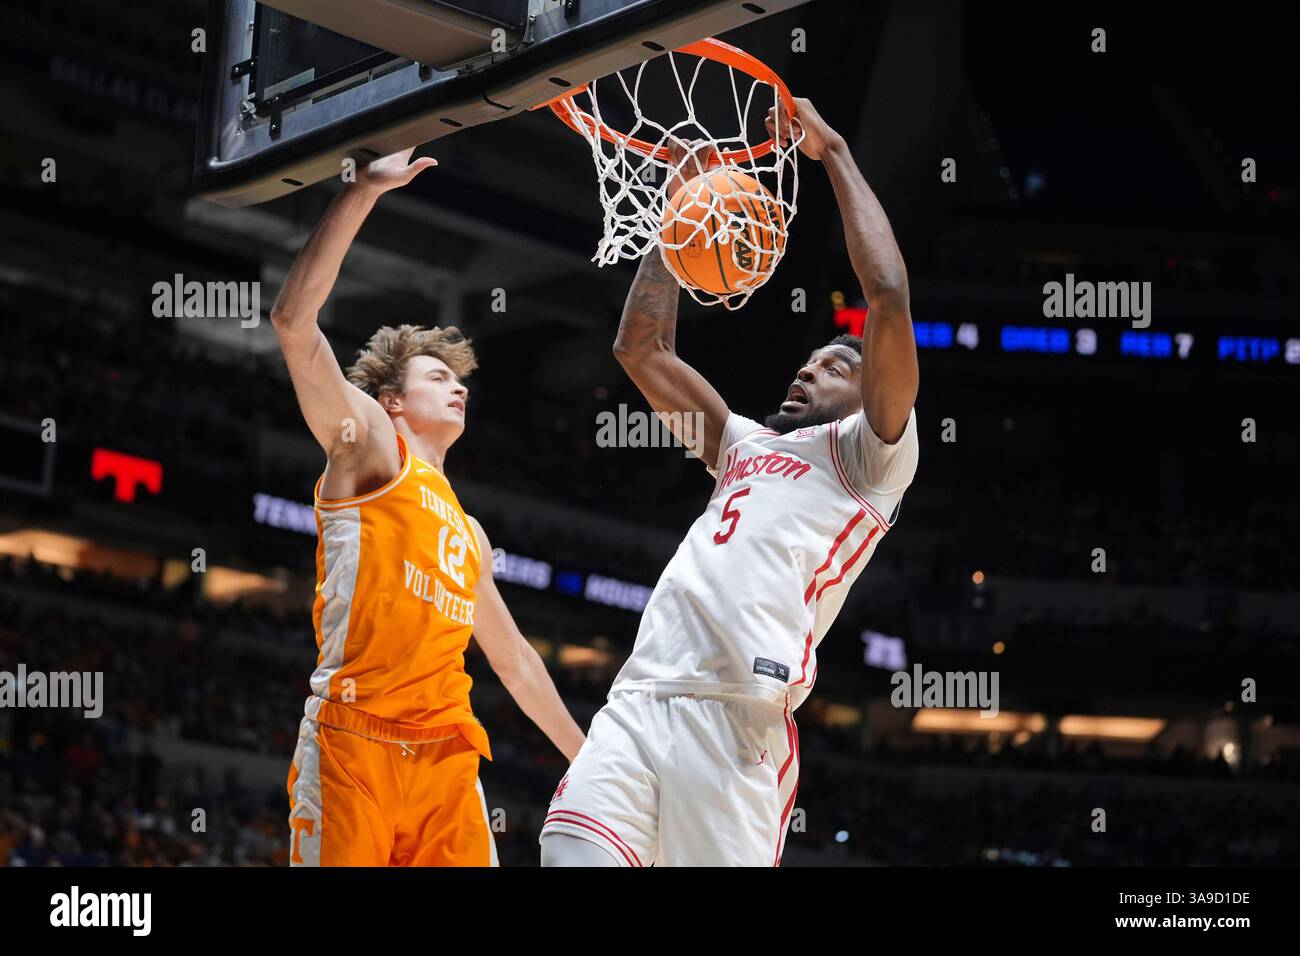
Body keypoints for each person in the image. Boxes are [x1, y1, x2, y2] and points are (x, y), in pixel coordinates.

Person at [540, 98, 920, 866]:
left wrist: (835, 151)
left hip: (738, 717)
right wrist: (677, 219)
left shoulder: (871, 460)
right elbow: (640, 349)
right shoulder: (741, 444)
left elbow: (887, 297)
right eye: (809, 358)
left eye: (837, 364)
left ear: (870, 387)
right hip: (639, 699)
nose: (810, 366)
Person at [272, 149, 585, 866]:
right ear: (390, 402)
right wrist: (362, 193)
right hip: (355, 742)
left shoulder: (469, 532)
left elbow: (514, 661)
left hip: (446, 756)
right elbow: (294, 321)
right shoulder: (372, 449)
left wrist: (589, 758)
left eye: (460, 380)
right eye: (437, 377)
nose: (459, 388)